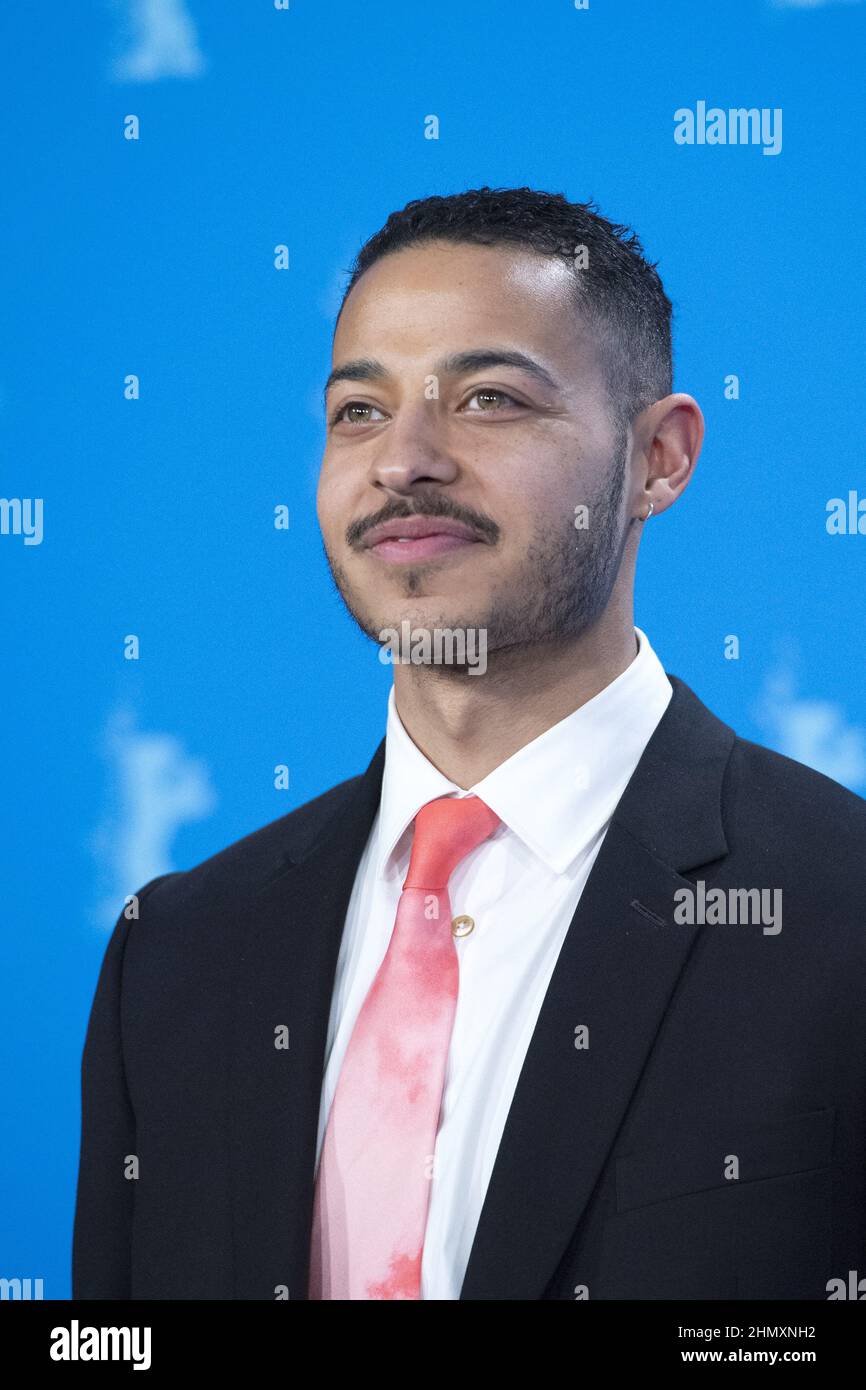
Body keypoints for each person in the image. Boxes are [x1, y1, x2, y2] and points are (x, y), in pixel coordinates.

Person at [73, 187, 866, 1301]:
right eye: (359, 410)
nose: (404, 461)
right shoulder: (177, 954)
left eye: (490, 398)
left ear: (658, 458)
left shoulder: (838, 907)